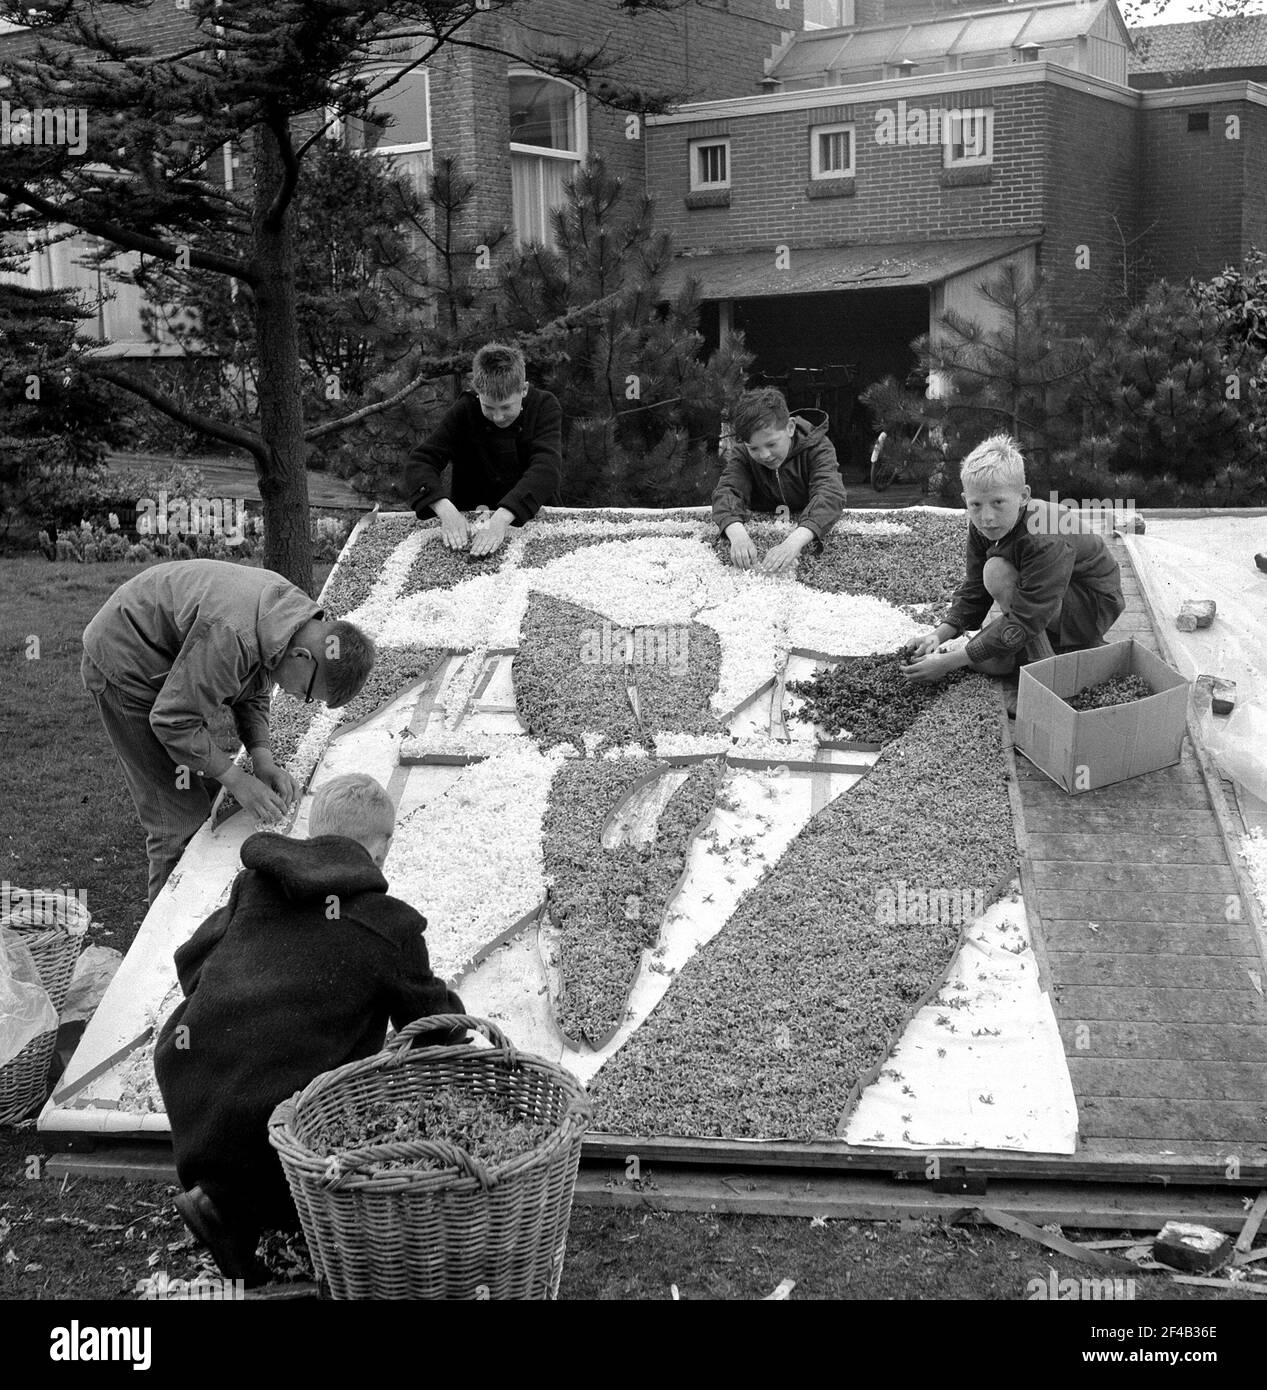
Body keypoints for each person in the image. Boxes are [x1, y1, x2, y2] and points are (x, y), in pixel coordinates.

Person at [155, 772, 466, 1286]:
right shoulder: (389, 926)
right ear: (382, 848)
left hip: (193, 1093)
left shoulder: (254, 885)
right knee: (350, 1115)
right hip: (277, 1122)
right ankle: (270, 1210)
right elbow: (432, 1028)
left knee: (280, 1055)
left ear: (313, 832)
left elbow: (191, 962)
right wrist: (459, 1029)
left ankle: (221, 1204)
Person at [82, 560, 376, 906]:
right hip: (124, 666)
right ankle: (163, 943)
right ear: (302, 656)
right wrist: (236, 779)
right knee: (177, 817)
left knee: (197, 781)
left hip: (166, 650)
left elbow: (253, 684)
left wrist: (262, 759)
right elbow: (173, 721)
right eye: (307, 693)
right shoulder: (232, 635)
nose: (300, 699)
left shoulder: (294, 619)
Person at [901, 433, 1125, 712]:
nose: (987, 516)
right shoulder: (983, 526)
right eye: (976, 505)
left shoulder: (1044, 533)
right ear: (965, 500)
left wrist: (947, 663)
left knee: (995, 571)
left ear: (1023, 496)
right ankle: (1064, 648)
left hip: (1090, 604)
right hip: (1045, 598)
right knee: (988, 662)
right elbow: (974, 590)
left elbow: (1028, 617)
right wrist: (938, 636)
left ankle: (1045, 679)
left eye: (998, 502)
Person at [402, 342, 563, 557]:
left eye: (506, 407)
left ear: (523, 389)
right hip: (470, 522)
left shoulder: (544, 406)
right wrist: (445, 510)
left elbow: (547, 467)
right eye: (488, 407)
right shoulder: (465, 409)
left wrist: (502, 518)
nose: (498, 417)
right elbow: (420, 461)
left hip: (534, 518)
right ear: (477, 393)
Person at [712, 386, 847, 575]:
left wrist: (794, 542)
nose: (765, 455)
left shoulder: (819, 447)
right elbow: (727, 490)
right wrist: (738, 535)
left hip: (804, 522)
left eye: (771, 444)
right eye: (754, 448)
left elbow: (829, 494)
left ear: (790, 428)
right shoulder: (742, 453)